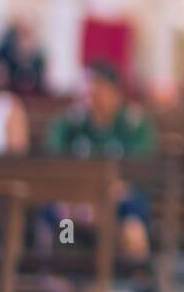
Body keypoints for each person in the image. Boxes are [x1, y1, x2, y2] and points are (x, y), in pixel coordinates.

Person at [44, 59, 158, 261]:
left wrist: (108, 196)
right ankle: (62, 271)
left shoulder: (132, 124)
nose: (93, 95)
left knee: (134, 228)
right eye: (89, 89)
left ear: (115, 93)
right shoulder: (72, 123)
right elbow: (54, 157)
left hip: (120, 201)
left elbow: (142, 168)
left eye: (99, 88)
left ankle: (135, 279)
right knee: (63, 222)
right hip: (75, 199)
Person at [0, 18, 47, 96]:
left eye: (27, 34)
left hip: (34, 97)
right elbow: (0, 76)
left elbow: (42, 81)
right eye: (21, 33)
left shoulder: (38, 57)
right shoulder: (6, 54)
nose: (23, 38)